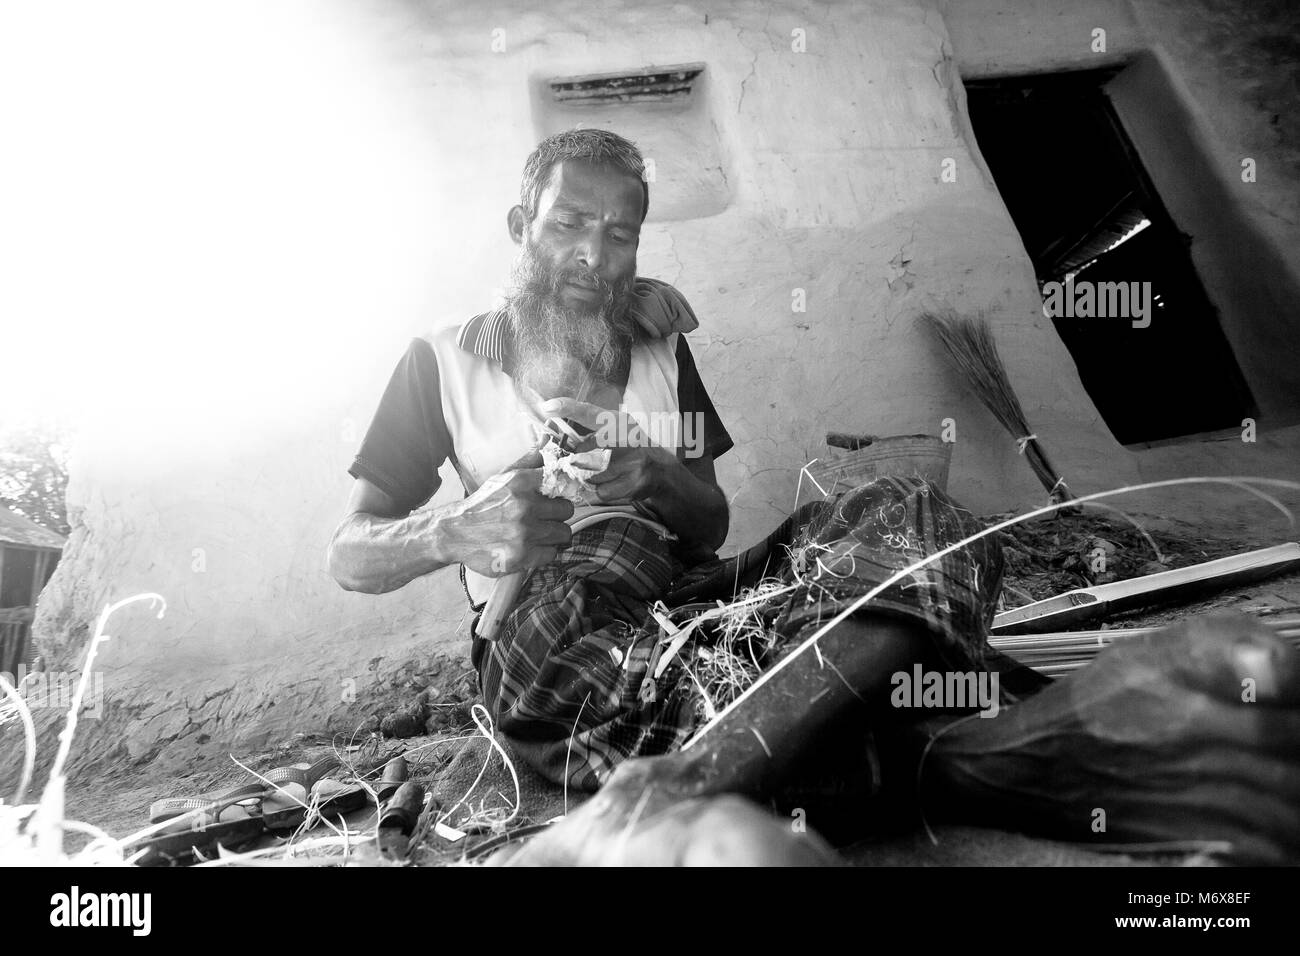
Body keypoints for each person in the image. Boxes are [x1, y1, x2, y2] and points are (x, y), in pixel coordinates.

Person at [329, 128, 1300, 865]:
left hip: (693, 591)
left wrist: (651, 474)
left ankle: (681, 782)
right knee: (667, 667)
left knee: (903, 518)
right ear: (521, 228)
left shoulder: (664, 345)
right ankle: (990, 755)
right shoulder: (442, 359)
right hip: (547, 616)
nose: (593, 255)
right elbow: (350, 550)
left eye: (619, 235)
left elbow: (707, 521)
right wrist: (451, 527)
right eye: (568, 226)